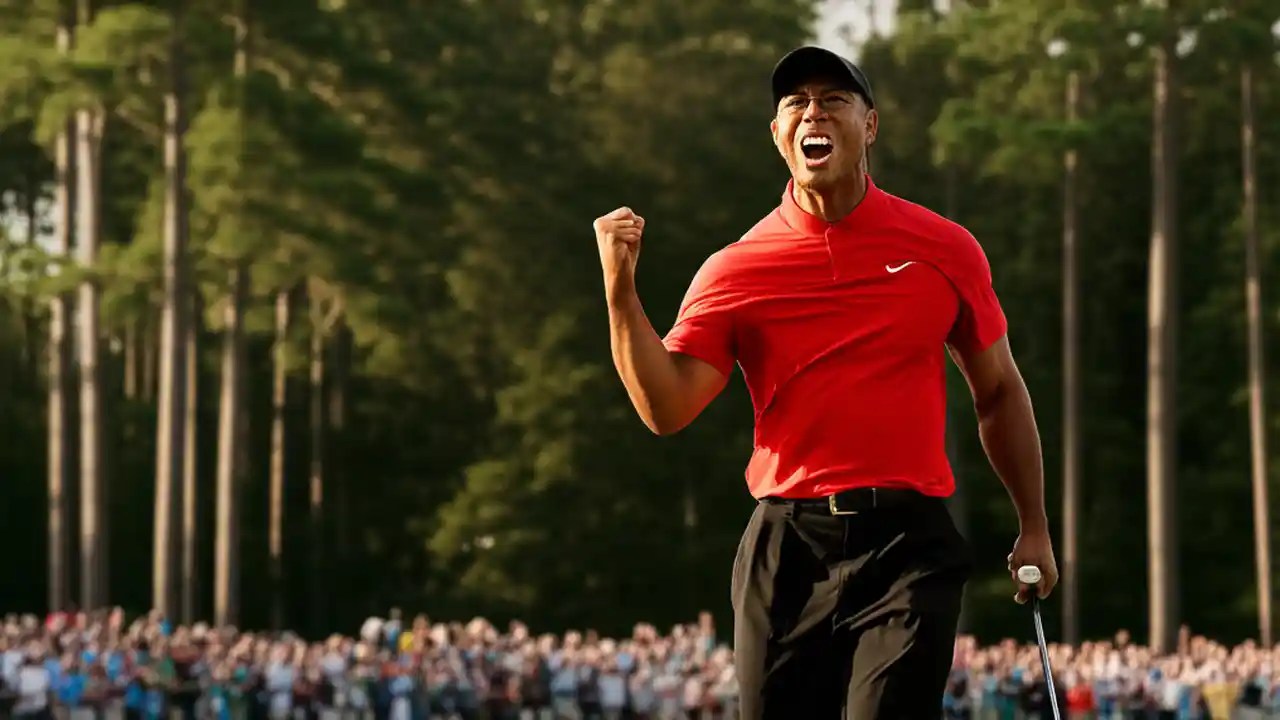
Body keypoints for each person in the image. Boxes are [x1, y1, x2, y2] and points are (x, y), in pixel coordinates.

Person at [592, 44, 1058, 718]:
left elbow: (999, 391)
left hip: (908, 545)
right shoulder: (735, 269)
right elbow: (666, 406)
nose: (815, 112)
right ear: (779, 135)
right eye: (796, 104)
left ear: (870, 126)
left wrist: (1034, 525)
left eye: (834, 100)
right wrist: (619, 295)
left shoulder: (944, 247)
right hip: (788, 549)